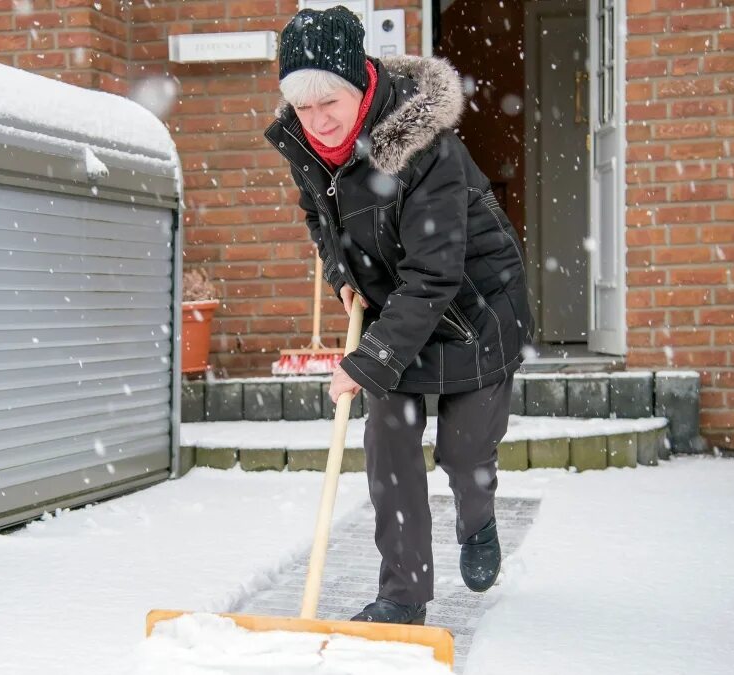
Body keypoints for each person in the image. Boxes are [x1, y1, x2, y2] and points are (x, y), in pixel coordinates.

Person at [265, 5, 533, 626]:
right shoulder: (310, 144)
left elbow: (436, 274)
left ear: (360, 80)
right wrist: (341, 277)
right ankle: (403, 598)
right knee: (388, 452)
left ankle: (478, 517)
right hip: (397, 313)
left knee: (465, 455)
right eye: (303, 109)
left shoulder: (425, 150)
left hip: (477, 313)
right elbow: (322, 219)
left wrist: (368, 361)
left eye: (328, 101)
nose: (318, 120)